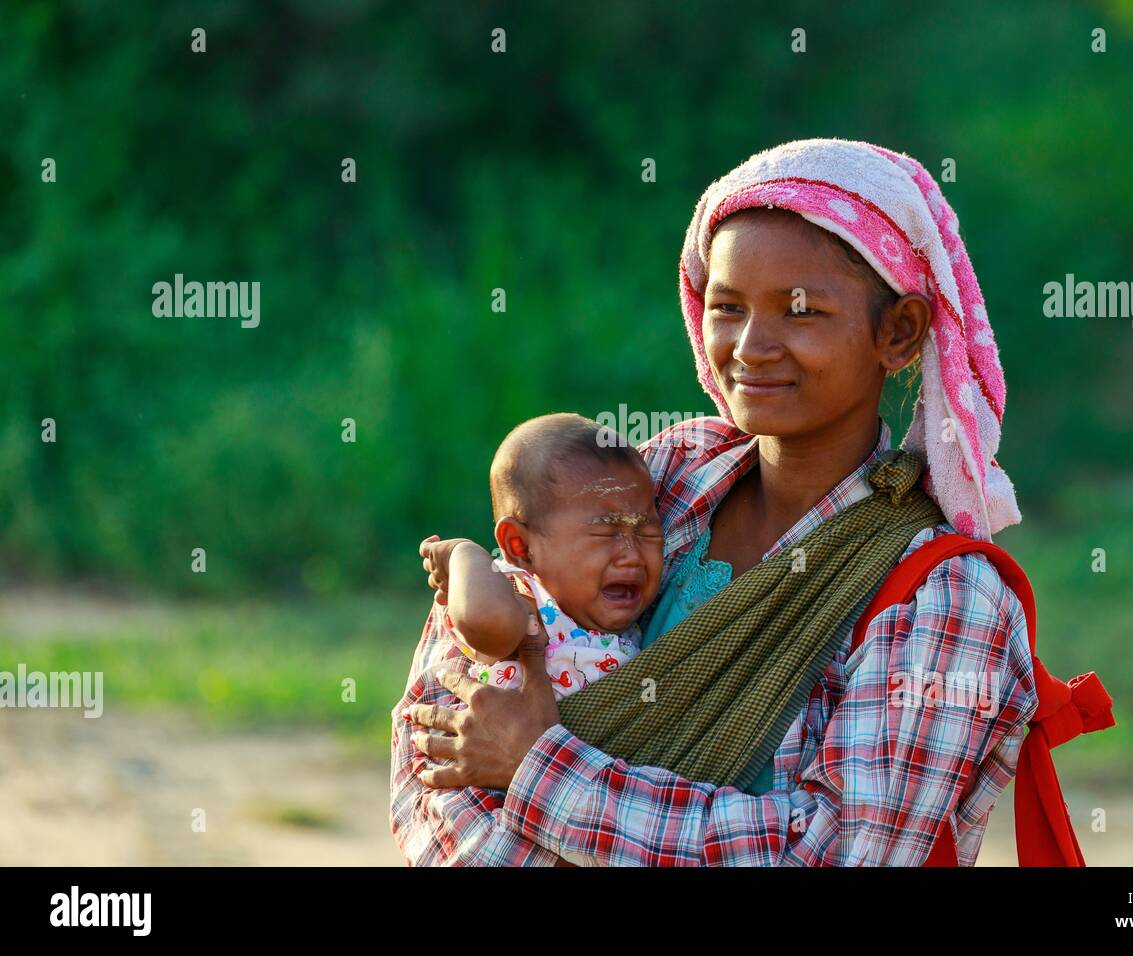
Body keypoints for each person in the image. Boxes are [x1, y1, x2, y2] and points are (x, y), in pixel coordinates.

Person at [391, 138, 1041, 866]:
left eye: (800, 313)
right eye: (727, 307)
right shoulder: (663, 478)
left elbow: (843, 855)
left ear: (898, 332)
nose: (751, 346)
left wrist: (539, 771)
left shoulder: (941, 594)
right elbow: (443, 724)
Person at [410, 412, 663, 701]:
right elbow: (487, 620)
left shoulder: (641, 628)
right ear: (519, 546)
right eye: (604, 533)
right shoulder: (531, 605)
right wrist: (463, 554)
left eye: (647, 532)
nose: (632, 557)